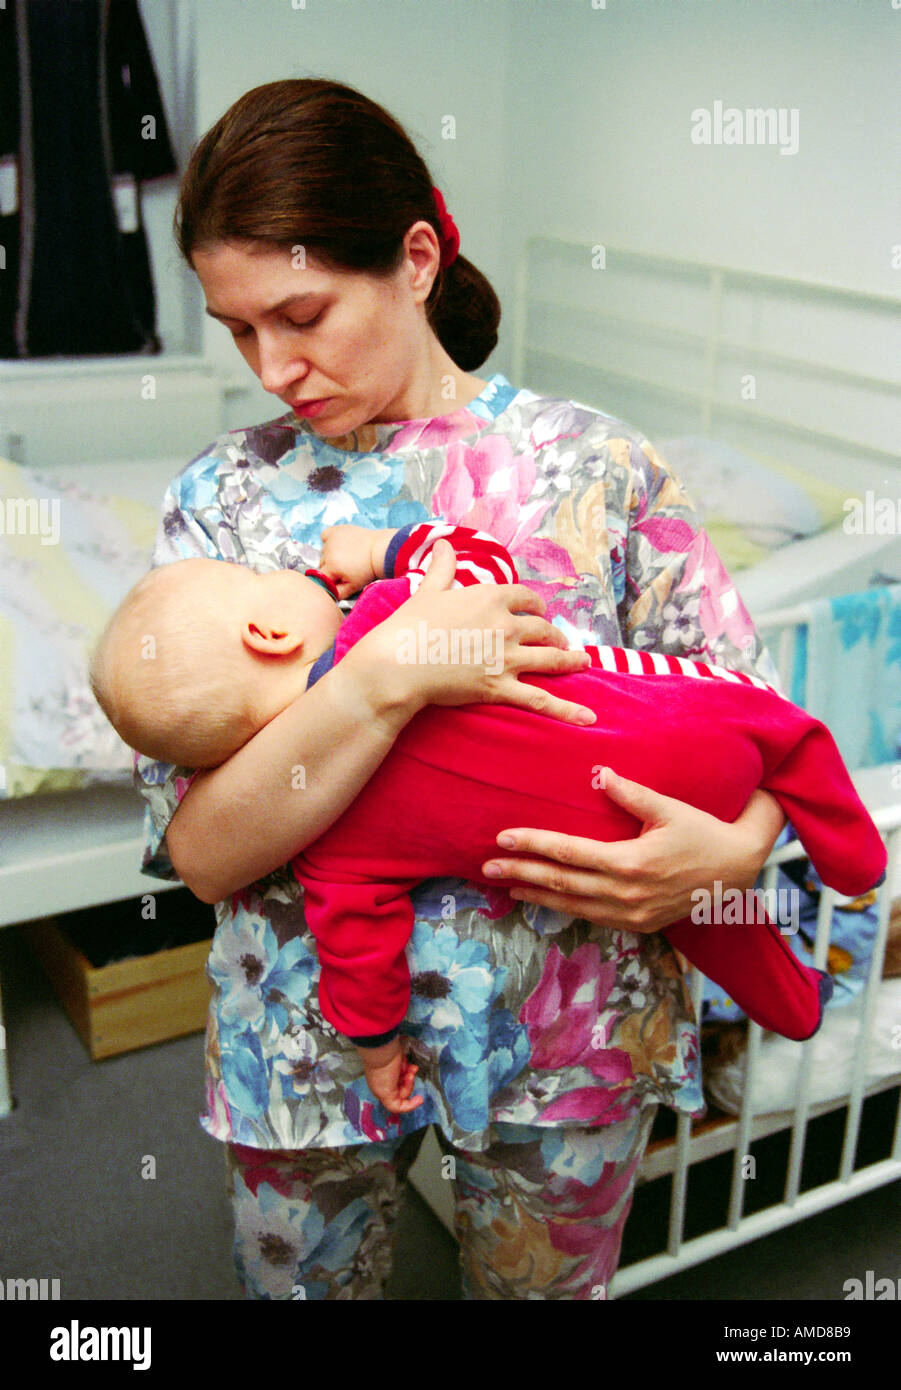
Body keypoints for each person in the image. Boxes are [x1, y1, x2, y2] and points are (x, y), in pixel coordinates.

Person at [134, 76, 804, 1300]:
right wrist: (378, 678)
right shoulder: (221, 502)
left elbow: (764, 734)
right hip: (310, 1041)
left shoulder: (595, 467)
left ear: (417, 257)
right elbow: (205, 857)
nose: (273, 367)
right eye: (238, 330)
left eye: (300, 314)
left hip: (576, 1031)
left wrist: (715, 857)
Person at [92, 516, 886, 1113]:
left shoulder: (322, 840)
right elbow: (484, 565)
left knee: (702, 921)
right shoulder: (389, 619)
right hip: (669, 753)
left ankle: (788, 998)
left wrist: (374, 1048)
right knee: (787, 735)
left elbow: (357, 951)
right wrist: (383, 551)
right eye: (268, 576)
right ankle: (856, 860)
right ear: (267, 631)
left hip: (598, 857)